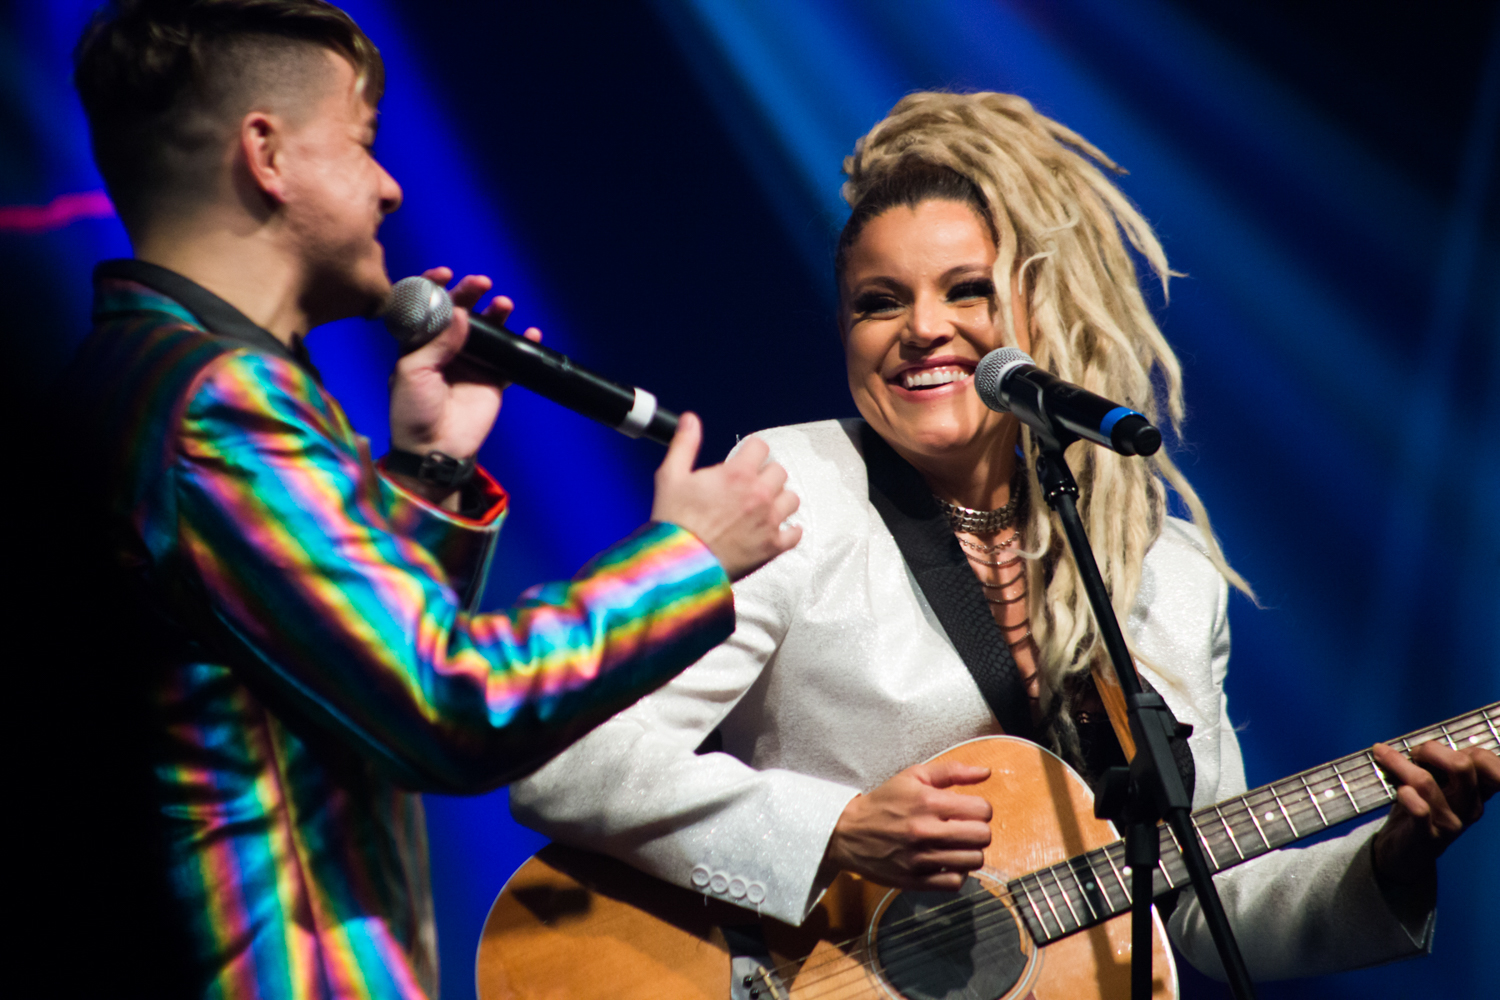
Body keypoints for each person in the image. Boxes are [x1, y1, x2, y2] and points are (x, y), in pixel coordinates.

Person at [511, 91, 1499, 987]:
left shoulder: (1163, 574)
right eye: (879, 301)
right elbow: (567, 758)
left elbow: (1208, 905)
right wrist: (839, 829)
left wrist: (1395, 856)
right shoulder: (793, 490)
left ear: (1044, 311)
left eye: (967, 291)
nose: (922, 329)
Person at [51, 1, 800, 997]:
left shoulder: (137, 373)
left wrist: (426, 471)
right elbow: (446, 702)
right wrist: (687, 556)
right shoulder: (219, 400)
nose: (393, 187)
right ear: (264, 152)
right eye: (363, 144)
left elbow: (328, 688)